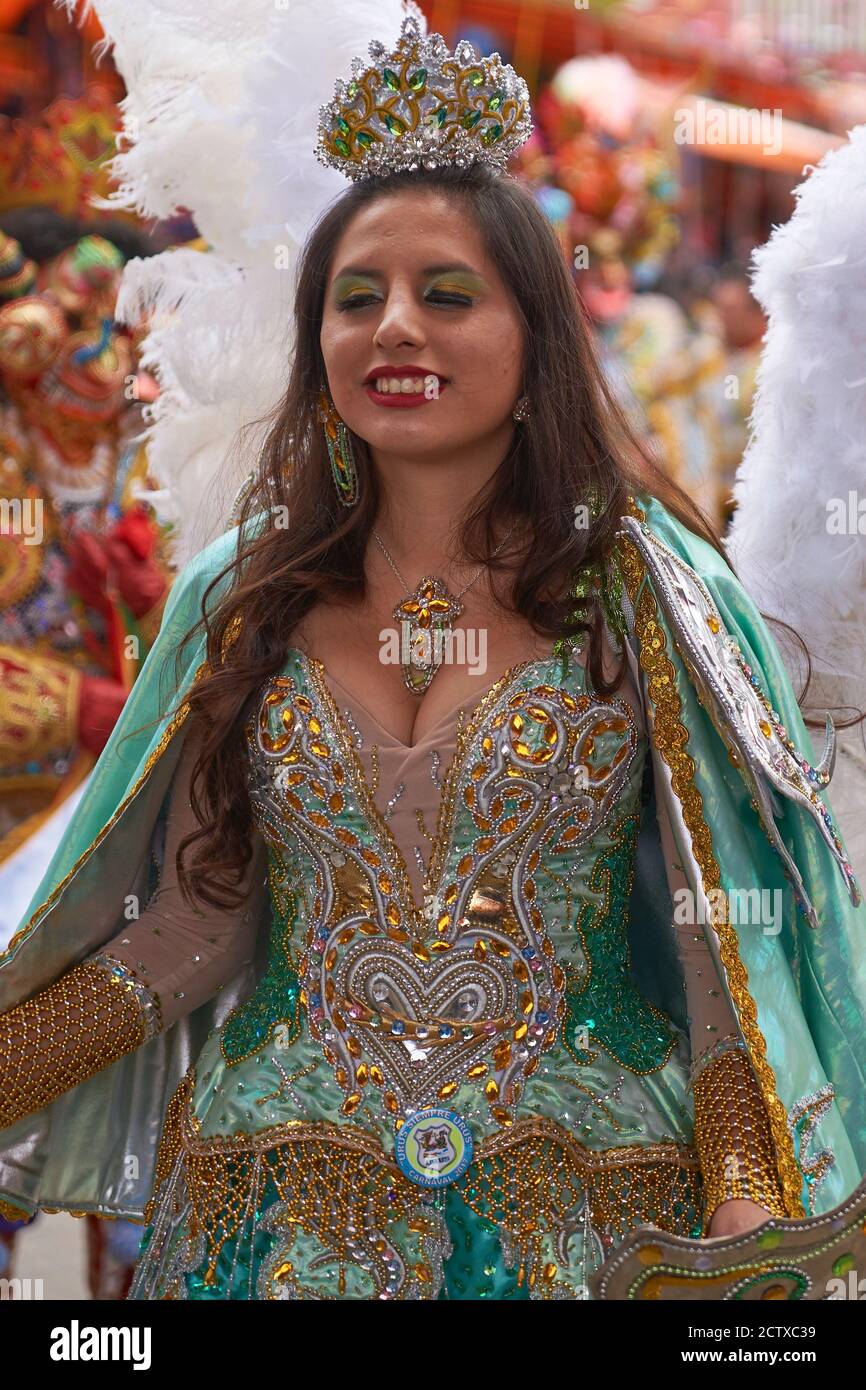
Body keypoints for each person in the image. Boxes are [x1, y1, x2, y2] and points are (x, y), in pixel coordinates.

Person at [0, 9, 863, 1302]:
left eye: (444, 294)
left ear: (533, 345)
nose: (393, 326)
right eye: (357, 298)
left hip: (581, 1228)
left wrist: (743, 1202)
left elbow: (718, 933)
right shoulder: (243, 603)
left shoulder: (643, 593)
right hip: (273, 1228)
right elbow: (192, 920)